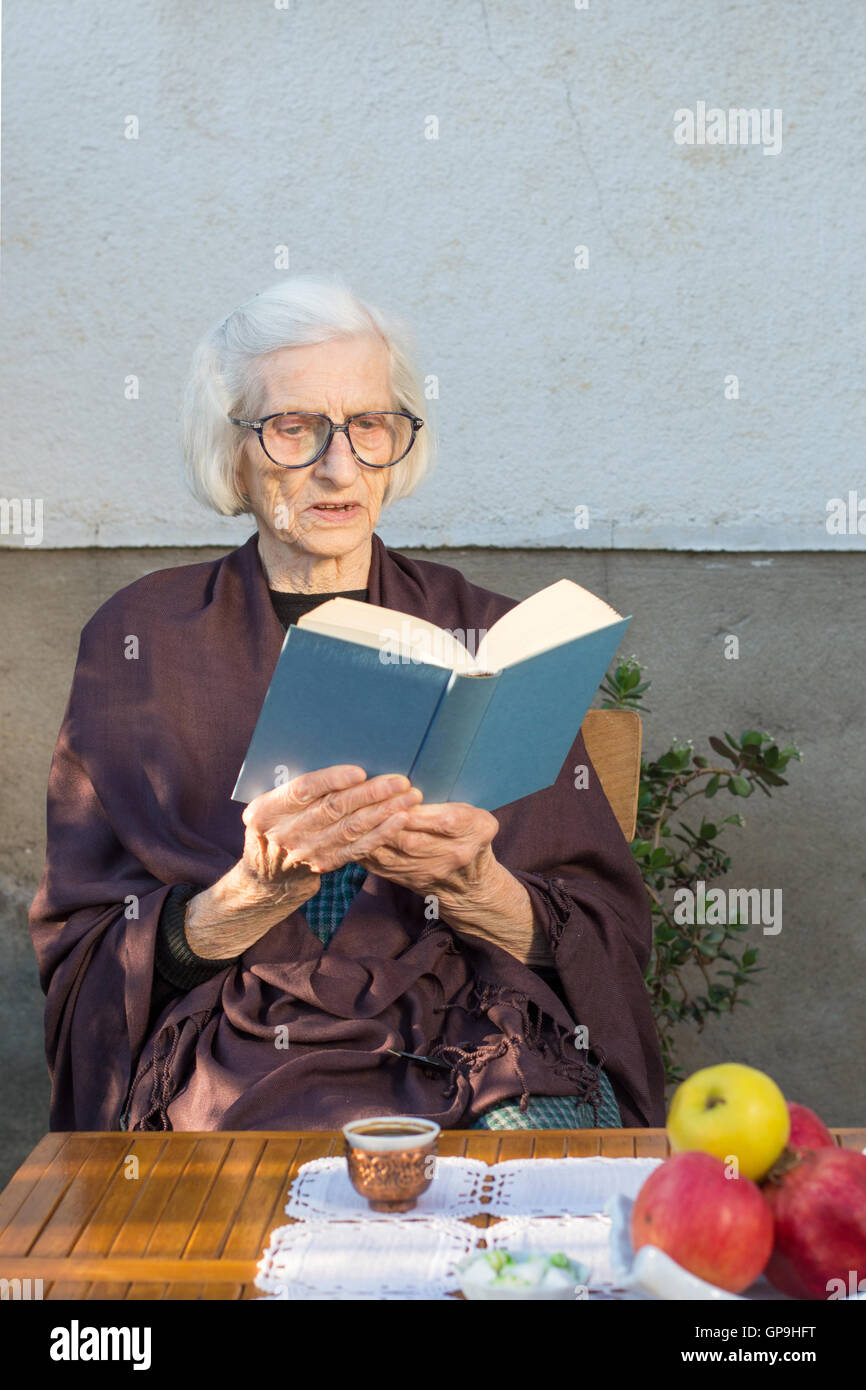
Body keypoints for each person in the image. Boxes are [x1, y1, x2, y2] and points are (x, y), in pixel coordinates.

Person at [29, 275, 665, 1133]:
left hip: (474, 1041)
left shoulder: (484, 630)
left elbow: (601, 933)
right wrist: (249, 895)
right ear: (232, 451)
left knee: (540, 1166)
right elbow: (86, 951)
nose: (340, 467)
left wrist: (475, 887)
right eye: (295, 428)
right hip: (242, 1040)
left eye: (370, 425)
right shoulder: (141, 640)